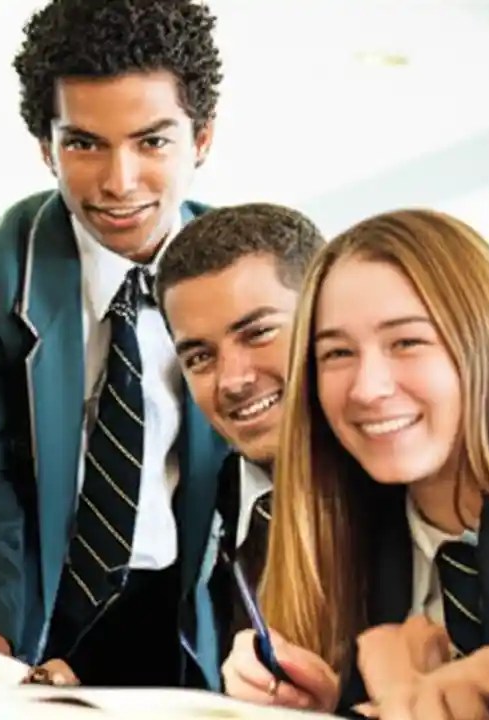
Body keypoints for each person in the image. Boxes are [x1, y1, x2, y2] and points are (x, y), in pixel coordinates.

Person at [220, 209, 489, 714]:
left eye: (407, 342)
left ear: (484, 343)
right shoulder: (305, 535)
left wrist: (401, 698)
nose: (368, 389)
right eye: (337, 354)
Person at [0, 0, 230, 687]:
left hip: (201, 620)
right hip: (43, 613)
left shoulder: (252, 281)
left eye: (152, 142)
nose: (118, 181)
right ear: (47, 148)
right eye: (84, 144)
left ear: (203, 139)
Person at [155, 203, 324, 672]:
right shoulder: (204, 504)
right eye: (200, 357)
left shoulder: (409, 496)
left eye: (258, 334)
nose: (232, 380)